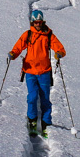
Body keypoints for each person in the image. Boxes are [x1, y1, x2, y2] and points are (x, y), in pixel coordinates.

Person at [8, 9, 66, 137]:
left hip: (44, 72)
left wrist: (59, 53)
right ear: (32, 22)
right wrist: (13, 54)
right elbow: (18, 47)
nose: (38, 24)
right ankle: (32, 122)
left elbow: (60, 48)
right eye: (35, 22)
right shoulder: (28, 34)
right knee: (32, 97)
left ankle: (46, 125)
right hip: (30, 71)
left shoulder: (49, 35)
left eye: (39, 22)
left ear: (42, 22)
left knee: (45, 99)